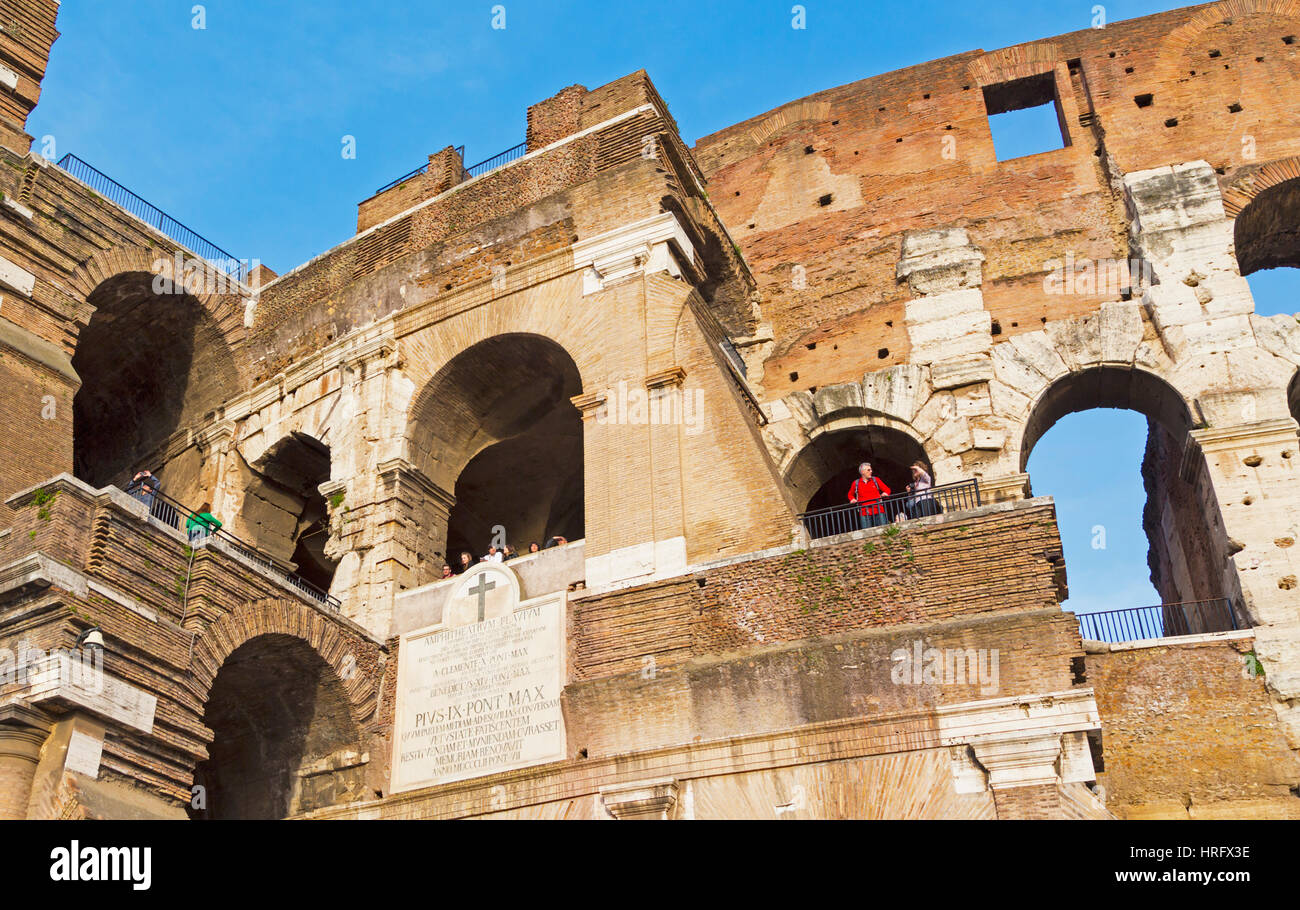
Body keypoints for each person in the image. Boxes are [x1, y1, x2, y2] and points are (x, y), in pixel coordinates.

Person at [848, 462, 891, 529]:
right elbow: (850, 494)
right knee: (867, 532)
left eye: (871, 469)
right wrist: (852, 499)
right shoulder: (856, 483)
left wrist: (885, 493)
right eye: (868, 470)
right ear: (862, 472)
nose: (871, 471)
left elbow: (887, 489)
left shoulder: (876, 480)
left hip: (878, 509)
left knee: (883, 529)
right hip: (864, 512)